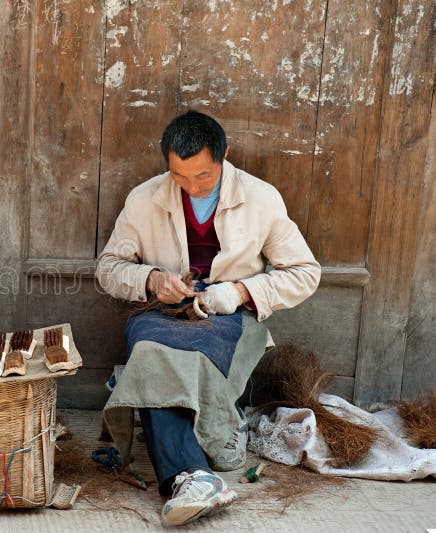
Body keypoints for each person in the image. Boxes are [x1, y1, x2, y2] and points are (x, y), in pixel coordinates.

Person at [96, 111, 320, 526]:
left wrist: (238, 292)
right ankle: (198, 477)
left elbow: (305, 273)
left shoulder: (261, 198)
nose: (191, 186)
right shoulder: (144, 199)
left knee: (177, 361)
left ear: (224, 156)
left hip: (231, 317)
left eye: (202, 176)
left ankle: (190, 472)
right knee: (147, 350)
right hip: (161, 312)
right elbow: (108, 268)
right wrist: (151, 279)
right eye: (179, 176)